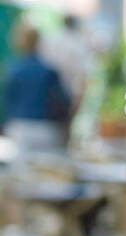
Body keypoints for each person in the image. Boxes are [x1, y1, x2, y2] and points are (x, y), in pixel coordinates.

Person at [1, 20, 71, 150]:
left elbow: (6, 101)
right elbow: (63, 101)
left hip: (18, 128)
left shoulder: (12, 69)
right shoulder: (49, 70)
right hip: (45, 129)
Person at [40, 14, 92, 146]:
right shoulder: (79, 43)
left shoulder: (49, 39)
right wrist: (76, 107)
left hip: (45, 97)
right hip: (66, 98)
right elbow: (83, 79)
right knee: (60, 144)